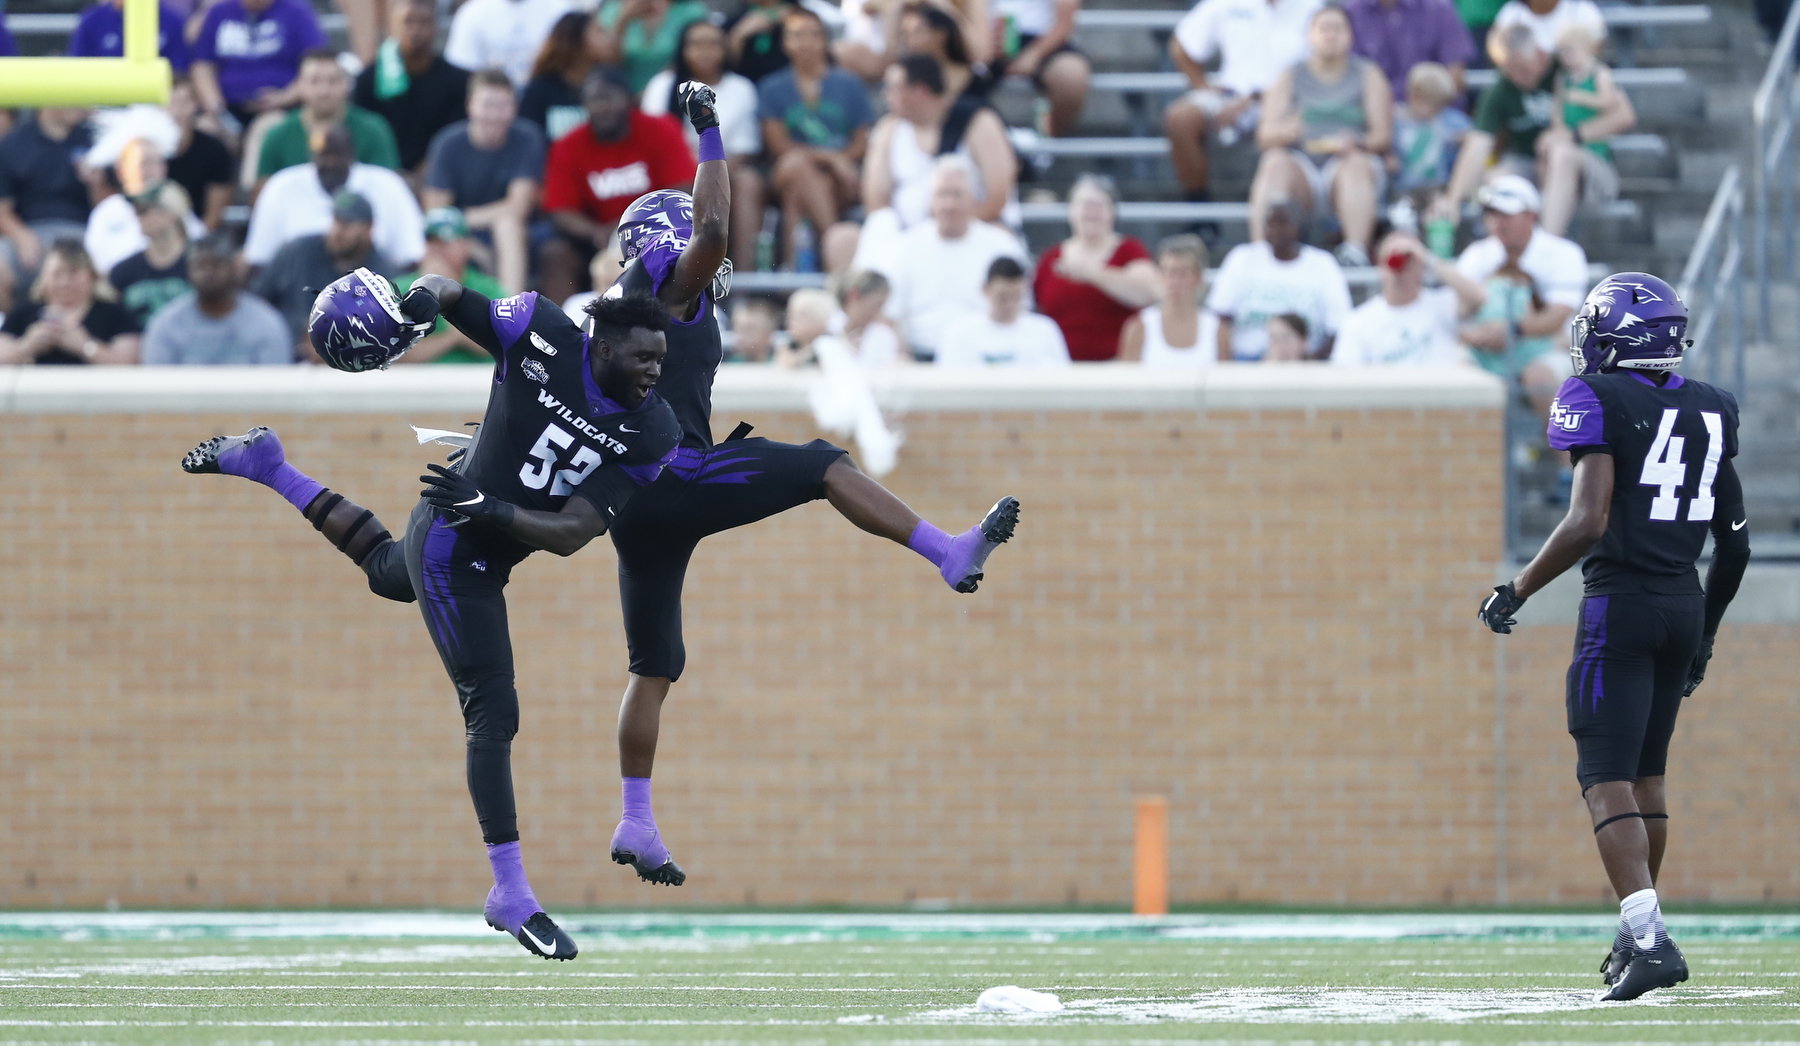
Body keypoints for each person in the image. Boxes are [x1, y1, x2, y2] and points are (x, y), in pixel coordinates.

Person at [181, 283, 688, 965]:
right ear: (601, 347)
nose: (655, 371)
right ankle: (512, 892)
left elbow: (573, 533)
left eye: (661, 359)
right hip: (453, 543)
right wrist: (419, 300)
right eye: (643, 358)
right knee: (492, 712)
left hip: (480, 525)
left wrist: (490, 507)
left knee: (390, 573)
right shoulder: (540, 333)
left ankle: (268, 466)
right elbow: (450, 292)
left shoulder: (653, 430)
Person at [597, 84, 1021, 888]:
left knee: (651, 667)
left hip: (630, 507)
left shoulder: (605, 319)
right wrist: (710, 134)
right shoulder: (666, 293)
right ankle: (946, 552)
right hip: (680, 474)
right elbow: (713, 229)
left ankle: (636, 819)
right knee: (825, 463)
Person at [1477, 271, 1751, 1003]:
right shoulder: (1713, 405)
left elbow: (1588, 519)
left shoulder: (1592, 395)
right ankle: (1639, 933)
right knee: (1646, 778)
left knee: (1604, 779)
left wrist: (1517, 588)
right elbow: (1735, 545)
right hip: (1684, 604)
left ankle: (1650, 940)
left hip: (1620, 605)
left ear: (1620, 337)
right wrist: (1705, 637)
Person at [538, 67, 697, 305]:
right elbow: (560, 209)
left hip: (658, 230)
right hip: (596, 238)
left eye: (609, 97)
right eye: (594, 99)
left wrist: (634, 225)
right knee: (554, 253)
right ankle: (562, 322)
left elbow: (682, 188)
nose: (602, 107)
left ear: (627, 99)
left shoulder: (661, 129)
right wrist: (595, 232)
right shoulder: (568, 144)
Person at [1250, 5, 1393, 267]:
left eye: (1338, 29)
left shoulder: (1369, 75)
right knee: (1274, 162)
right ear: (1310, 35)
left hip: (1348, 168)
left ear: (1350, 36)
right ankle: (1262, 250)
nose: (1331, 35)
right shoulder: (1289, 75)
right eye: (1324, 29)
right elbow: (1265, 133)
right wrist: (1286, 131)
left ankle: (1355, 251)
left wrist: (1358, 142)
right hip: (1303, 169)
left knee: (1356, 164)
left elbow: (1382, 135)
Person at [849, 54, 1016, 276]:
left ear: (920, 91)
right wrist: (918, 237)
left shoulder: (978, 122)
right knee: (867, 230)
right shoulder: (889, 129)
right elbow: (876, 200)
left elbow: (998, 196)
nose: (885, 95)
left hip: (971, 227)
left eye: (893, 88)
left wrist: (948, 227)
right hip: (906, 235)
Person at [1163, 0, 1322, 209]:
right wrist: (1204, 89)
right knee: (1180, 118)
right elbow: (1183, 44)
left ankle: (1290, 213)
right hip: (1230, 98)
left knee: (1295, 128)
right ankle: (1199, 212)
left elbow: (1325, 62)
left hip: (1290, 103)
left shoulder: (1312, 6)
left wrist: (1260, 98)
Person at [1454, 175, 1587, 416]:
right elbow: (1457, 313)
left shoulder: (1564, 253)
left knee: (1540, 376)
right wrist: (1477, 336)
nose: (1497, 222)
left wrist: (1510, 331)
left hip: (1550, 347)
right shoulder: (1477, 254)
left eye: (1506, 215)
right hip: (1485, 350)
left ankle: (1561, 442)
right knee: (1458, 372)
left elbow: (1557, 317)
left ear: (1531, 216)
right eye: (1492, 214)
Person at [759, 6, 876, 271]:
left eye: (814, 34)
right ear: (785, 43)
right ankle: (841, 258)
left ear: (825, 41)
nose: (806, 42)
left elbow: (862, 142)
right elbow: (778, 146)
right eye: (797, 35)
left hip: (840, 179)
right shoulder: (772, 88)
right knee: (794, 164)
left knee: (796, 196)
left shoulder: (850, 84)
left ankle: (793, 277)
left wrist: (838, 163)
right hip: (793, 168)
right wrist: (832, 159)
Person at [643, 18, 765, 270]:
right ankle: (672, 272)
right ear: (683, 49)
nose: (705, 51)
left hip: (724, 172)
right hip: (670, 173)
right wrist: (687, 171)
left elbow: (744, 150)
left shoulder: (741, 89)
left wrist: (708, 174)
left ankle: (745, 276)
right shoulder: (661, 86)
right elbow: (650, 143)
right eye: (697, 44)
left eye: (713, 44)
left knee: (749, 182)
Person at [881, 156, 1028, 360]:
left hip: (986, 359)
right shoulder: (902, 247)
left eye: (957, 195)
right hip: (921, 356)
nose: (949, 204)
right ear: (930, 200)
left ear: (973, 198)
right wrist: (903, 356)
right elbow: (887, 315)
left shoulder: (1002, 245)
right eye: (942, 194)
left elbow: (1022, 307)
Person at [423, 71, 546, 295]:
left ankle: (512, 305)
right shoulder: (447, 143)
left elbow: (519, 207)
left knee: (508, 225)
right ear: (470, 105)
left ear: (515, 107)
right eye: (487, 105)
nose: (494, 115)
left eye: (503, 106)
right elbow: (436, 213)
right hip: (459, 233)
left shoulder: (527, 137)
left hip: (515, 229)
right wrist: (472, 244)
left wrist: (461, 216)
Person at [245, 124, 425, 270]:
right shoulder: (281, 186)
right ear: (312, 156)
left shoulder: (388, 185)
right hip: (300, 293)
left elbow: (411, 258)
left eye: (336, 155)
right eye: (323, 156)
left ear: (351, 154)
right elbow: (258, 260)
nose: (330, 162)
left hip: (372, 292)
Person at [1031, 174, 1158, 362]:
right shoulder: (1050, 258)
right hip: (1059, 366)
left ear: (1113, 212)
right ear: (1071, 210)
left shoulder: (1130, 250)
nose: (1091, 212)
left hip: (1116, 364)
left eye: (1098, 205)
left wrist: (1093, 274)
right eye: (1085, 205)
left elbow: (1149, 292)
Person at [1207, 198, 1351, 361]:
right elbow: (1220, 320)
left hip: (1302, 362)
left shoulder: (1323, 264)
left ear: (1300, 226)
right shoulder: (1242, 259)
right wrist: (1227, 367)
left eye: (1283, 223)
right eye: (1270, 223)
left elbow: (1340, 328)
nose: (1275, 230)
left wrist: (1311, 362)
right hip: (1246, 361)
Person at [252, 191, 396, 351]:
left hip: (348, 360)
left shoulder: (381, 275)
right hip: (284, 352)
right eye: (335, 220)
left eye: (347, 224)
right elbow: (257, 301)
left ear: (368, 228)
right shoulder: (298, 251)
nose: (337, 231)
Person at [352, 0, 472, 174]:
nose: (415, 30)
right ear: (391, 27)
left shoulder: (459, 81)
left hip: (440, 173)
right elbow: (361, 136)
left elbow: (459, 136)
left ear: (436, 27)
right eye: (407, 22)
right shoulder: (368, 80)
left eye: (424, 22)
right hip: (382, 173)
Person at [256, 50, 402, 190]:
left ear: (346, 83)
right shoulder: (277, 135)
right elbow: (263, 193)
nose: (324, 90)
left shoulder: (374, 130)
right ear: (299, 85)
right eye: (314, 81)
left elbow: (388, 187)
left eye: (333, 81)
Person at [1331, 231, 1483, 366]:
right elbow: (1346, 374)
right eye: (1390, 260)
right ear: (1380, 266)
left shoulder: (1443, 304)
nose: (1400, 269)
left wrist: (1426, 256)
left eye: (1409, 261)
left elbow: (1479, 298)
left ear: (1422, 268)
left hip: (1439, 387)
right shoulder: (1358, 321)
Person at [1539, 21, 1633, 238]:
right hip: (1568, 151)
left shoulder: (1600, 74)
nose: (1566, 58)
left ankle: (1548, 238)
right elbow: (1558, 118)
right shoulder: (1563, 79)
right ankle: (1549, 230)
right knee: (1550, 152)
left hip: (1593, 158)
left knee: (1562, 155)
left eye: (1570, 51)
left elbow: (1621, 113)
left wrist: (1583, 102)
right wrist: (1557, 136)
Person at [143, 233, 292, 364]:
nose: (208, 273)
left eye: (217, 265)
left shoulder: (265, 323)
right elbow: (157, 382)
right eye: (200, 266)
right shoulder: (167, 324)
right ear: (188, 271)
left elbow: (275, 381)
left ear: (234, 268)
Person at [0, 108, 95, 310]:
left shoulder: (93, 138)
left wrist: (96, 182)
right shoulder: (13, 143)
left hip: (84, 233)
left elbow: (110, 207)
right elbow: (2, 209)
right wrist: (21, 236)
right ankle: (12, 326)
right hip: (30, 233)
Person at [394, 208, 511, 363]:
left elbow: (507, 345)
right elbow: (392, 353)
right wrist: (452, 338)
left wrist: (448, 294)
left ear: (465, 245)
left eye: (445, 242)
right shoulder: (401, 289)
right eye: (431, 241)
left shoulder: (489, 289)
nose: (437, 249)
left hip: (479, 376)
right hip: (417, 377)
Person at [189, 0, 327, 128]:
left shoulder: (297, 11)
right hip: (227, 107)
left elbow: (317, 63)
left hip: (281, 107)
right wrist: (217, 108)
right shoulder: (219, 12)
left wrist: (284, 97)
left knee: (269, 125)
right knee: (204, 127)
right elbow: (202, 65)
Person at [0, 240, 141, 365]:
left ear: (92, 276)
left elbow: (130, 363)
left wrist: (85, 346)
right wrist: (27, 346)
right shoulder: (22, 314)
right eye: (57, 274)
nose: (64, 282)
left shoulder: (114, 314)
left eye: (73, 273)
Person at [935, 256, 1070, 368]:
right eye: (1002, 297)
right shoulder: (959, 333)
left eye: (1016, 296)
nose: (1010, 304)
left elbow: (1062, 378)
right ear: (985, 290)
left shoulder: (1045, 330)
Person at [105, 181, 197, 327]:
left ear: (170, 214)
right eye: (136, 211)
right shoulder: (124, 271)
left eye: (143, 211)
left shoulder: (200, 264)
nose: (137, 216)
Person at [1343, 0, 1472, 103]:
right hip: (1370, 113)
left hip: (1433, 114)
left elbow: (1455, 74)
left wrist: (1424, 106)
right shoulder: (1352, 12)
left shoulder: (1439, 8)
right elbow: (1343, 73)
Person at [1118, 233, 1217, 368]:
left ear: (1198, 277)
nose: (1175, 282)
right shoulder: (1139, 327)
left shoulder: (1216, 330)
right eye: (1169, 273)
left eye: (1183, 273)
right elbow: (1126, 378)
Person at [992, 0, 1088, 137]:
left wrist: (1034, 54)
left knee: (1071, 76)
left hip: (1045, 40)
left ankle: (1049, 139)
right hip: (985, 34)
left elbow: (1066, 17)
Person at [1389, 62, 1472, 207]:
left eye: (1440, 107)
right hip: (1405, 186)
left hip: (1436, 186)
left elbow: (1471, 136)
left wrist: (1462, 139)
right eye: (1433, 105)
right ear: (1414, 97)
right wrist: (1388, 156)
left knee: (1440, 205)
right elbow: (1385, 143)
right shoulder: (1396, 120)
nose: (1436, 111)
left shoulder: (1446, 121)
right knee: (1403, 208)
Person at [444, 0, 574, 89]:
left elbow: (572, 68)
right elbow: (461, 72)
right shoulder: (472, 12)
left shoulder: (561, 9)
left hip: (545, 99)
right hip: (491, 106)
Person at [519, 12, 606, 143]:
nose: (608, 38)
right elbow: (529, 139)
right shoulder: (539, 89)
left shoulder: (609, 85)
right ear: (576, 41)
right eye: (599, 32)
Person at [594, 0, 713, 95]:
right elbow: (607, 64)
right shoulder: (612, 10)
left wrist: (653, 93)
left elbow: (695, 58)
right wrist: (623, 20)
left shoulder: (690, 11)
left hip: (673, 94)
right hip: (623, 98)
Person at [164, 76, 235, 231]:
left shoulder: (214, 150)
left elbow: (215, 214)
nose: (176, 111)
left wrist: (194, 238)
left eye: (183, 102)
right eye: (168, 103)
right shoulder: (144, 152)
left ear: (195, 104)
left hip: (199, 234)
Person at [69, 0, 192, 70]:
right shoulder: (92, 21)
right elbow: (79, 66)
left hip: (156, 101)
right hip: (102, 99)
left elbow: (179, 70)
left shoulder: (172, 21)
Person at [832, 268, 902, 369]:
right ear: (854, 295)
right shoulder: (826, 329)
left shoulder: (883, 335)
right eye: (876, 305)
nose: (879, 313)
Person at [1490, 0, 1604, 55]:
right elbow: (1498, 53)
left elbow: (1597, 52)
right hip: (1522, 86)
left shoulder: (1582, 10)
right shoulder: (1511, 13)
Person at [723, 0, 794, 85]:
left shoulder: (796, 15)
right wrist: (739, 34)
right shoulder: (735, 19)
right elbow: (726, 64)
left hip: (789, 82)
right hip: (747, 83)